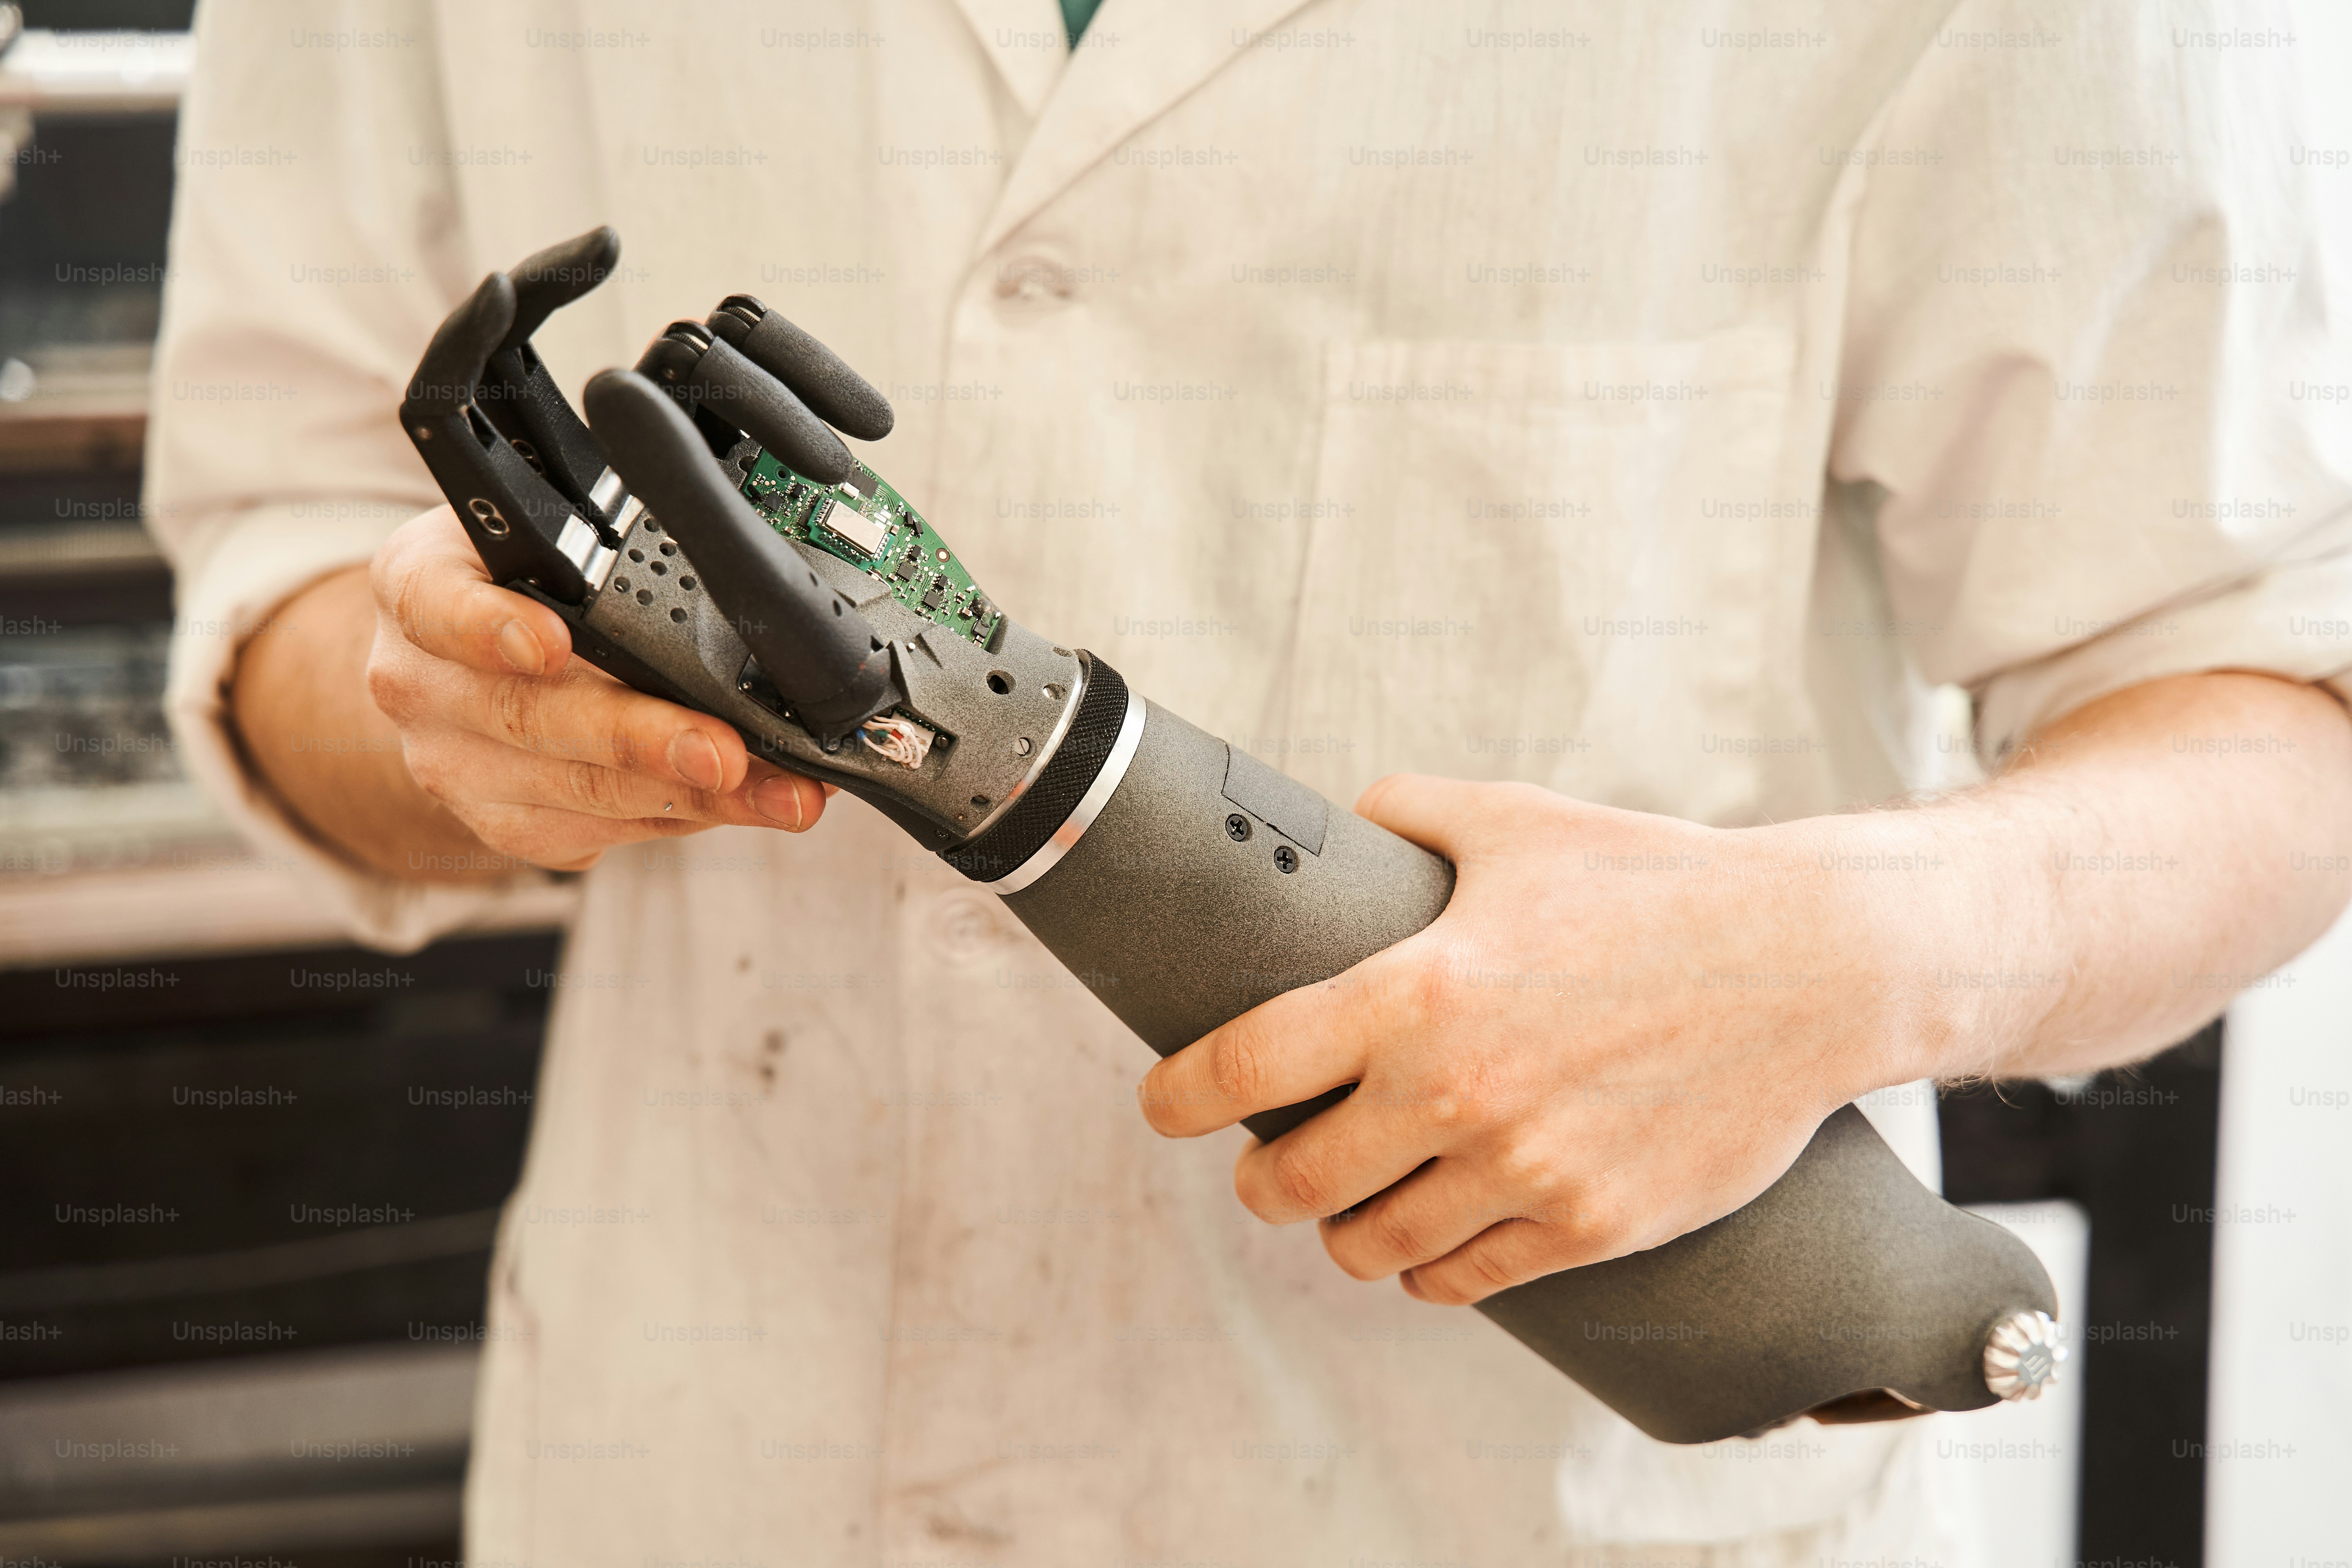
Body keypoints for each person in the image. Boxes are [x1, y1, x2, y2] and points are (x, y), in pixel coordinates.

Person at [149, 2, 2352, 1564]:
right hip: (712, 1457)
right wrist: (453, 706)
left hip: (1546, 1510)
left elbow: (2270, 688)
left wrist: (1841, 955)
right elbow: (274, 588)